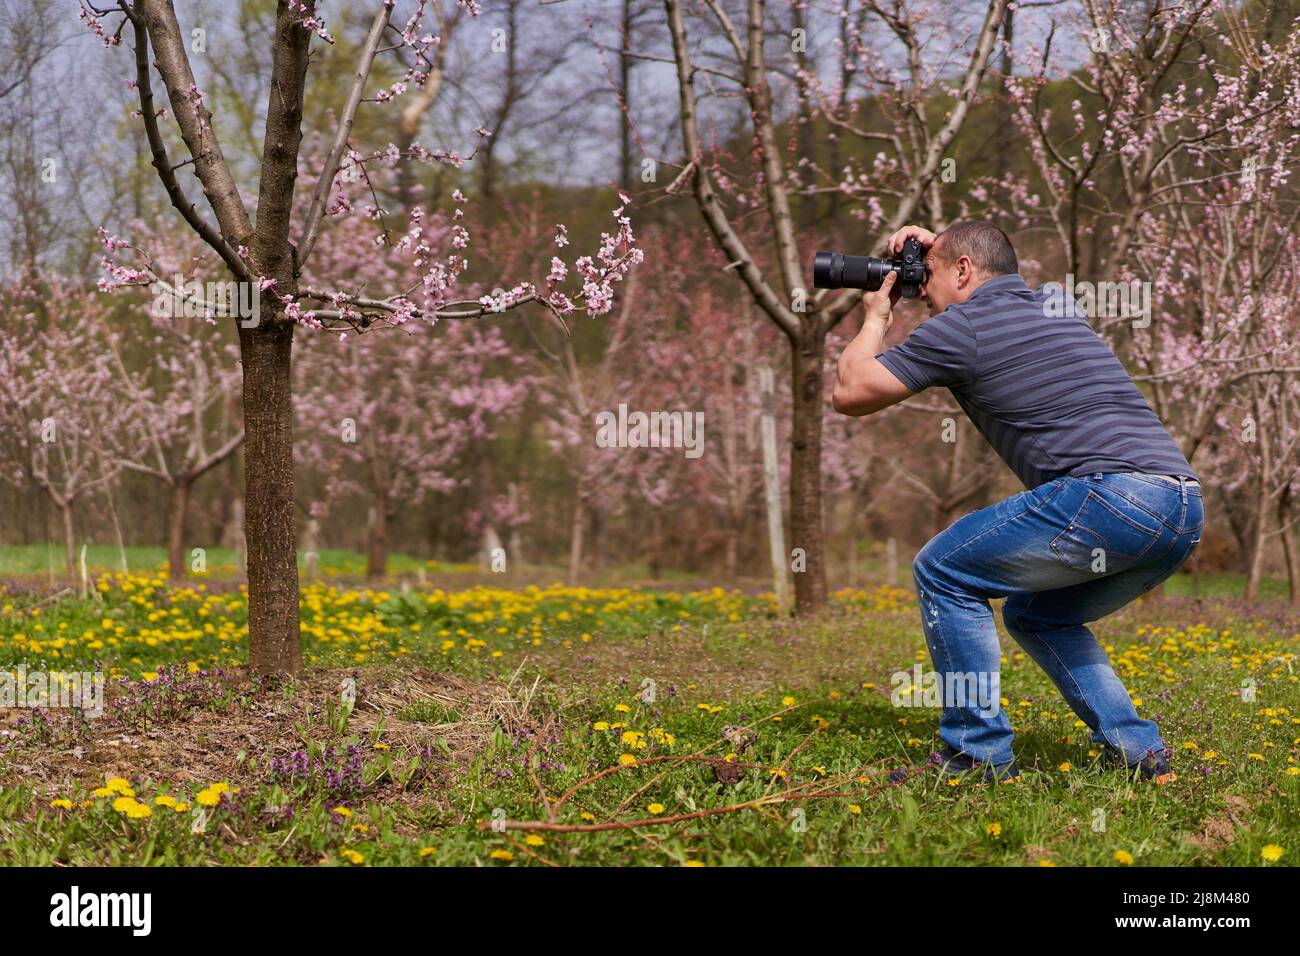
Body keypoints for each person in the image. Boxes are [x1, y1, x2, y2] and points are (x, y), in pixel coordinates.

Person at [832, 221, 1201, 784]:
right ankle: (1141, 753)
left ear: (961, 271)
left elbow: (851, 393)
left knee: (943, 569)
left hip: (1110, 498)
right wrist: (943, 250)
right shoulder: (1056, 303)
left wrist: (877, 317)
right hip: (1180, 507)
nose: (919, 289)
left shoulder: (961, 328)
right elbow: (989, 263)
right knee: (1038, 615)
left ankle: (976, 756)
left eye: (926, 277)